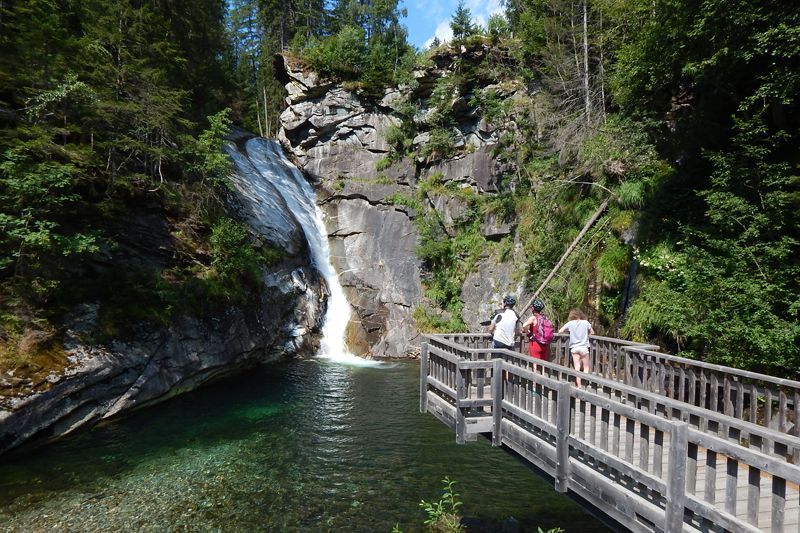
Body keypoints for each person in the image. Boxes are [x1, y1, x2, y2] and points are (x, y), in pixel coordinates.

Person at [558, 309, 595, 388]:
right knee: (586, 367)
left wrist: (569, 333)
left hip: (574, 348)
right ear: (580, 314)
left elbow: (560, 331)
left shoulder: (570, 323)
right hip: (584, 347)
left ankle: (579, 385)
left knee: (577, 367)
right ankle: (585, 384)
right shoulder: (586, 322)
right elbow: (592, 332)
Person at [522, 299, 549, 370]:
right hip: (544, 344)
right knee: (543, 365)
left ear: (533, 308)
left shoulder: (533, 318)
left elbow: (524, 325)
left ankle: (535, 381)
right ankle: (543, 380)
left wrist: (528, 334)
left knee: (535, 365)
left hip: (535, 343)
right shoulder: (545, 317)